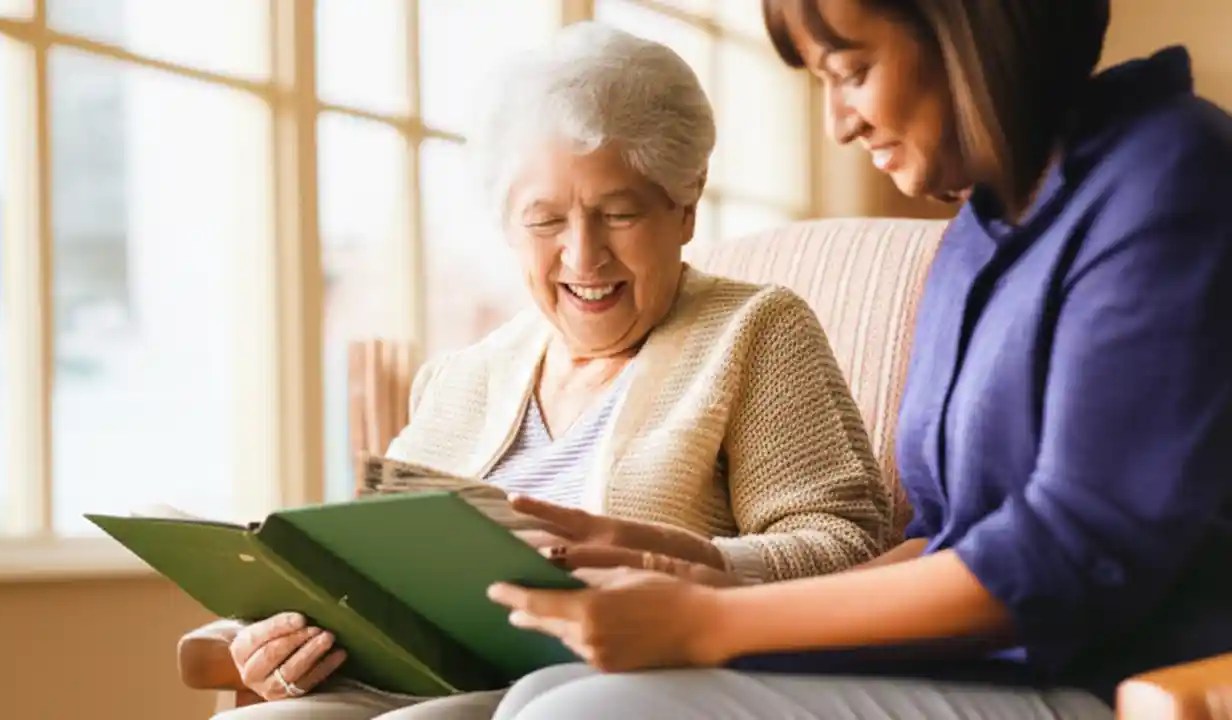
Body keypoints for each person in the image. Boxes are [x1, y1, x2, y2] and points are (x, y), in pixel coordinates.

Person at [484, 1, 1232, 718]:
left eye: (851, 72)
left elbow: (1070, 554)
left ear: (968, 34)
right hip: (986, 668)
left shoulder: (1172, 174)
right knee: (539, 699)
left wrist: (710, 622)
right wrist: (701, 586)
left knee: (580, 712)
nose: (838, 122)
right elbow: (941, 543)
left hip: (1119, 683)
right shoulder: (975, 236)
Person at [208, 22, 891, 720]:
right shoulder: (462, 378)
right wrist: (292, 643)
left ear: (684, 207)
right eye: (544, 222)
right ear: (508, 225)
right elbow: (368, 579)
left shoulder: (754, 331)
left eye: (619, 214)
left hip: (611, 691)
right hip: (416, 683)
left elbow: (847, 550)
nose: (583, 256)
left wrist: (686, 569)